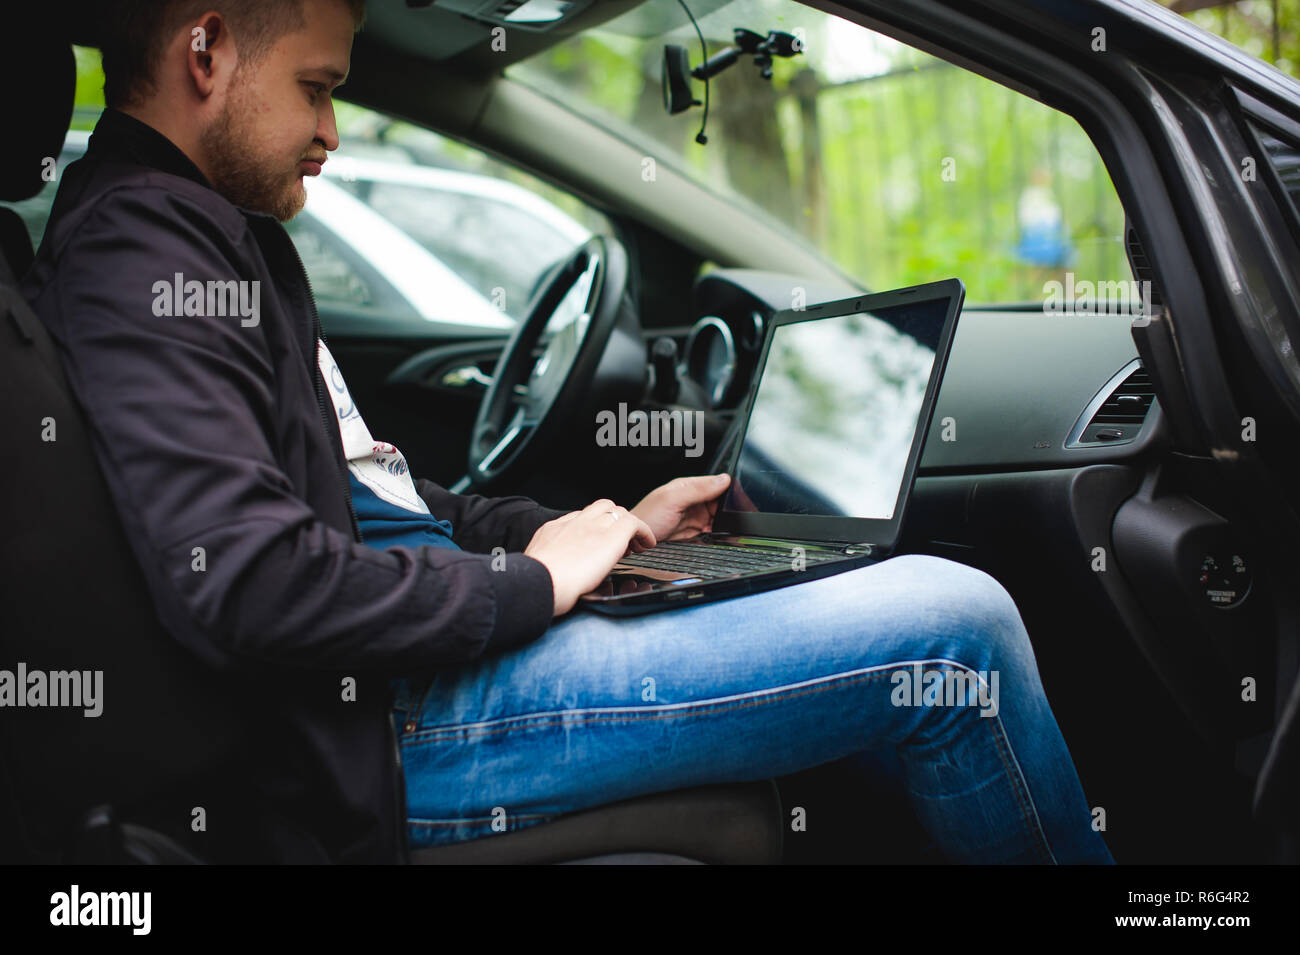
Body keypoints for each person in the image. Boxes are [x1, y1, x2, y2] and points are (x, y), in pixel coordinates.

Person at [23, 0, 1113, 864]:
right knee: (952, 627)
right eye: (317, 89)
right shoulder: (146, 251)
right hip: (389, 730)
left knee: (814, 592)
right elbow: (252, 581)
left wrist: (598, 533)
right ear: (204, 50)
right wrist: (532, 587)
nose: (331, 133)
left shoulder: (216, 236)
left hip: (416, 674)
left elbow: (383, 500)